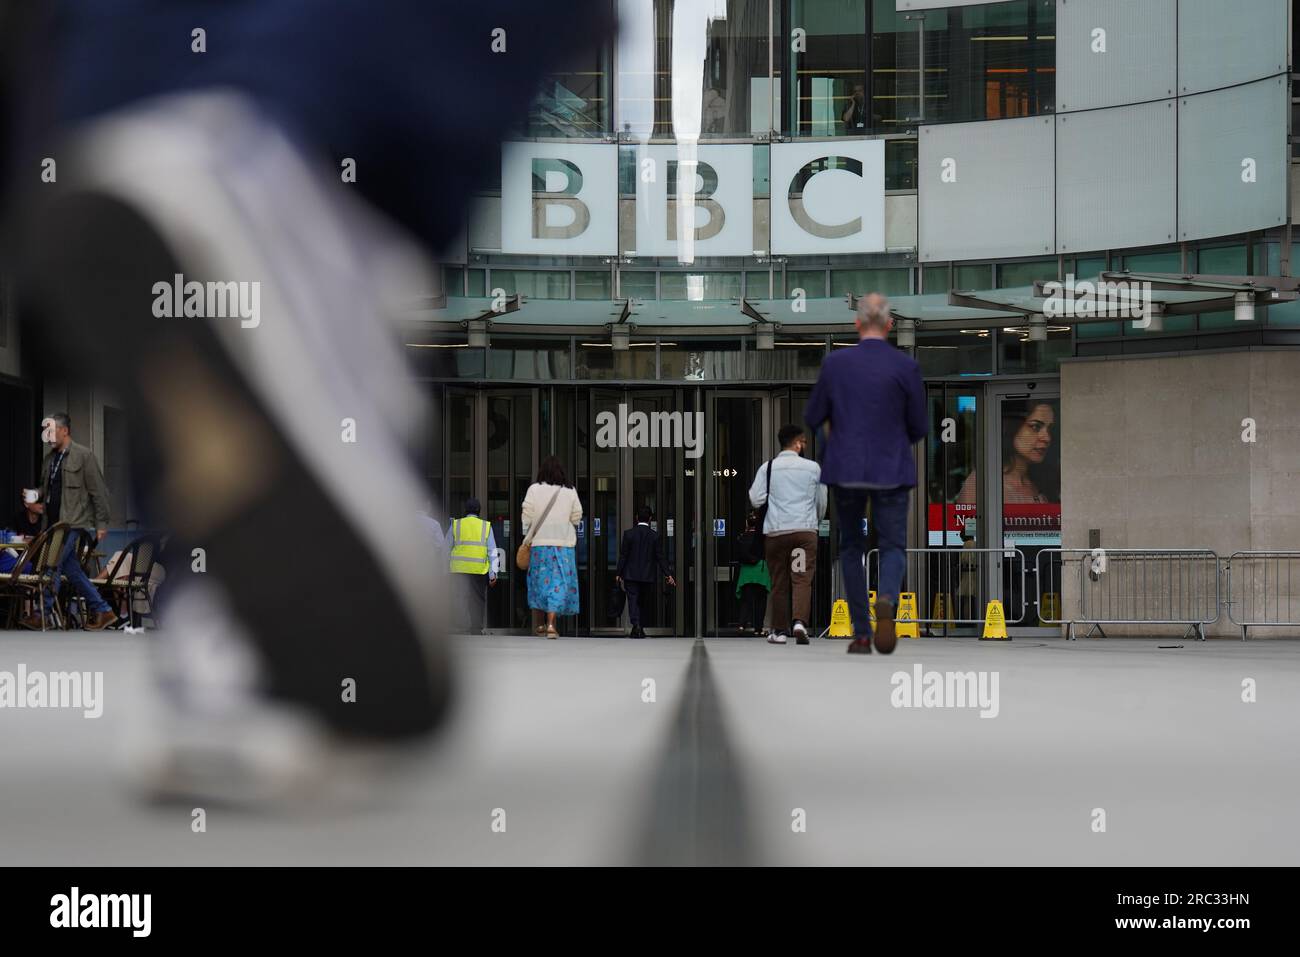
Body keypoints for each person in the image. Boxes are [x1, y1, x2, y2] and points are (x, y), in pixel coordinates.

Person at [805, 292, 927, 655]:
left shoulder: (835, 364)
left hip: (846, 469)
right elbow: (919, 425)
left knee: (851, 548)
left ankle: (860, 633)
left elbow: (812, 417)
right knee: (891, 545)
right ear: (890, 325)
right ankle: (887, 597)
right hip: (892, 469)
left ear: (857, 324)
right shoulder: (906, 367)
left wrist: (835, 435)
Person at [28, 413, 116, 630]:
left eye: (51, 430)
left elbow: (99, 492)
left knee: (52, 565)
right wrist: (35, 495)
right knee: (72, 570)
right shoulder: (49, 459)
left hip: (73, 523)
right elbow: (46, 489)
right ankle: (104, 610)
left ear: (64, 431)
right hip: (53, 524)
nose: (47, 435)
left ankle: (43, 614)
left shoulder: (83, 455)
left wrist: (101, 524)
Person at [749, 424, 826, 646]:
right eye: (803, 442)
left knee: (779, 582)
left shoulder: (768, 468)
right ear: (798, 442)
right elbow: (821, 502)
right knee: (802, 578)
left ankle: (779, 631)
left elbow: (756, 499)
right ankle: (800, 623)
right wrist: (815, 522)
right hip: (804, 531)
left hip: (776, 532)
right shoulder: (813, 468)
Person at [521, 456, 583, 639]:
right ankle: (551, 624)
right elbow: (577, 517)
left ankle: (540, 624)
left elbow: (526, 515)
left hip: (540, 545)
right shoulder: (570, 491)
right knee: (559, 583)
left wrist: (528, 533)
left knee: (539, 582)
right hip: (563, 545)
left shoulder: (534, 489)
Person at [955, 401, 1058, 506]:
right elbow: (967, 521)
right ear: (1011, 427)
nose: (1047, 438)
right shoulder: (981, 483)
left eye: (1049, 429)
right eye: (1035, 427)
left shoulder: (1045, 483)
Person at [616, 505, 675, 639]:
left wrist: (618, 573)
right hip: (647, 575)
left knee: (633, 600)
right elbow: (660, 556)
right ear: (650, 518)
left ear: (636, 518)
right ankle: (639, 626)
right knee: (642, 602)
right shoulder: (654, 536)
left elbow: (623, 555)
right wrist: (668, 574)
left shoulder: (628, 534)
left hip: (630, 574)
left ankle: (636, 626)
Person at [447, 497, 498, 634]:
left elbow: (446, 548)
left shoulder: (456, 525)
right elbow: (492, 551)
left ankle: (459, 627)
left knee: (459, 598)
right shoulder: (486, 526)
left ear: (465, 510)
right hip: (478, 570)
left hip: (458, 569)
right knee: (477, 600)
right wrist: (493, 573)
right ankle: (475, 629)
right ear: (479, 511)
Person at [734, 510, 770, 636]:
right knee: (761, 601)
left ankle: (741, 626)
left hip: (747, 572)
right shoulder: (763, 538)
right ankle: (758, 628)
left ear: (747, 523)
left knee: (746, 600)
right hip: (761, 571)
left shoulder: (741, 537)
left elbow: (738, 555)